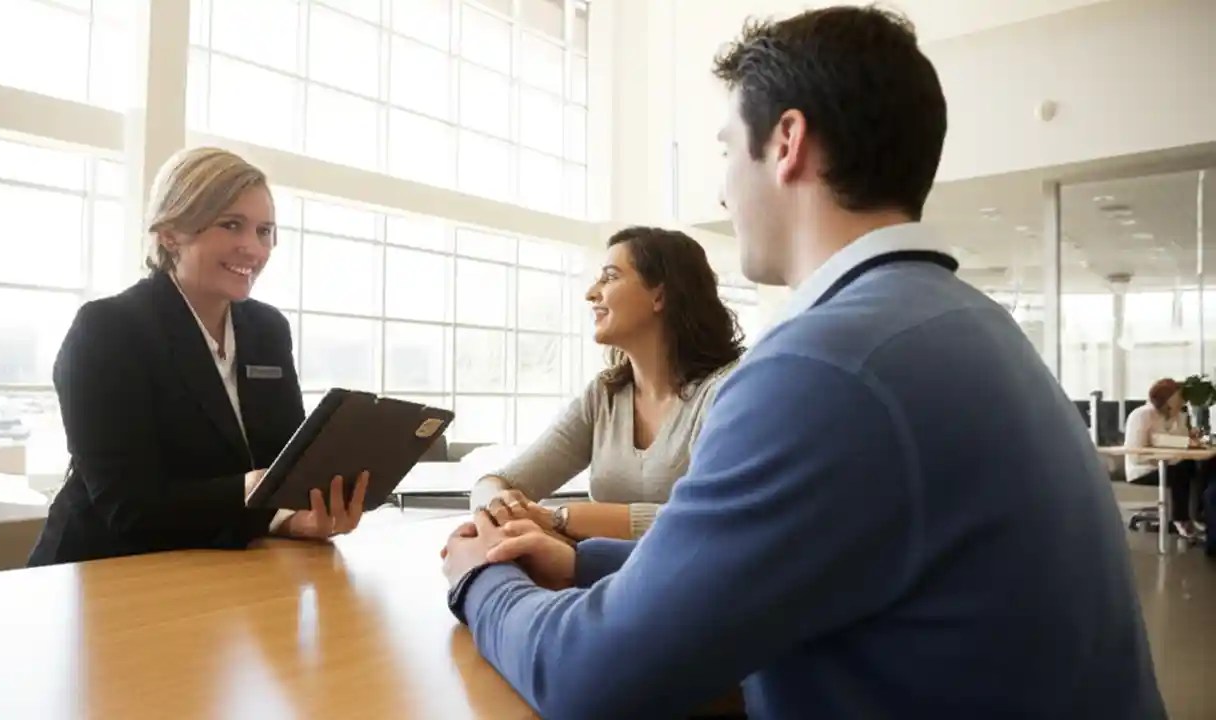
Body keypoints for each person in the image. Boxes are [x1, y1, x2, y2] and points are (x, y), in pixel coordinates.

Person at [441, 7, 1163, 719]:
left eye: (727, 150)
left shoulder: (822, 368)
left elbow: (589, 678)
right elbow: (769, 561)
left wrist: (480, 583)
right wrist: (579, 562)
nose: (723, 189)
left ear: (786, 141)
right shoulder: (970, 324)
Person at [29, 148, 366, 566]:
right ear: (171, 232)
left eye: (264, 231)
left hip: (219, 572)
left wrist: (296, 518)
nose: (253, 248)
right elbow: (129, 508)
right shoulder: (108, 330)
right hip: (103, 572)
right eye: (231, 225)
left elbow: (283, 467)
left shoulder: (267, 330)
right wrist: (251, 488)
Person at [470, 226, 744, 540]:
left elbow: (710, 517)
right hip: (605, 576)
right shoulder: (603, 396)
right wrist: (495, 502)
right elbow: (501, 481)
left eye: (610, 277)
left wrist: (559, 518)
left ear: (660, 295)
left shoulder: (726, 392)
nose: (591, 293)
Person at [1124, 377, 1207, 539]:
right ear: (1167, 398)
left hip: (1172, 465)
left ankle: (1199, 515)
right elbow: (1136, 454)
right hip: (1144, 469)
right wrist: (1171, 448)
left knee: (1199, 467)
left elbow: (1184, 444)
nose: (1182, 401)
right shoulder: (1142, 415)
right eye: (1178, 397)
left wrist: (1186, 434)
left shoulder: (1178, 416)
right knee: (1180, 471)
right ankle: (1181, 519)